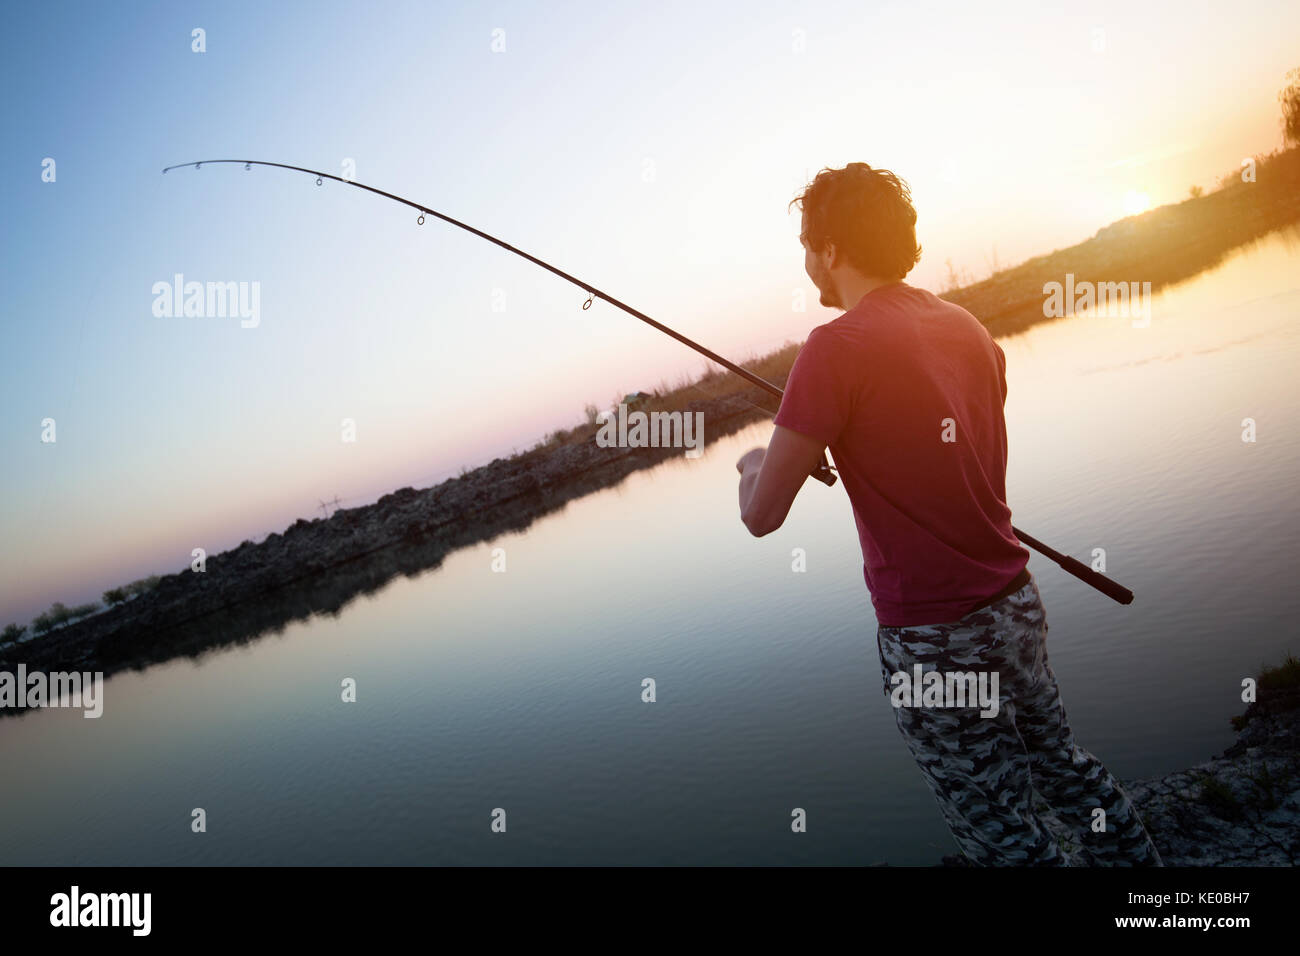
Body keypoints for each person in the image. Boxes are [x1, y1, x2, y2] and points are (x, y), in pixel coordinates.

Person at [735, 162, 1162, 866]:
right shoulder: (967, 329)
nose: (807, 259)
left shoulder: (831, 349)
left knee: (996, 822)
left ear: (832, 250)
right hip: (1015, 604)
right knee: (1063, 766)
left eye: (809, 243)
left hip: (933, 639)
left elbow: (762, 516)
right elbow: (942, 449)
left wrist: (754, 464)